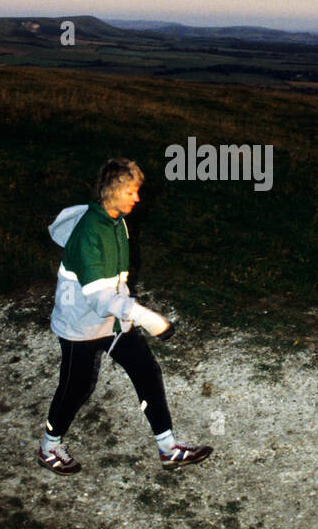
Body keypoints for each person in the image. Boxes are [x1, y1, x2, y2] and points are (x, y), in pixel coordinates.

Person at [39, 158, 211, 474]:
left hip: (112, 321)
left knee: (146, 370)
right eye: (132, 192)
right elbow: (99, 297)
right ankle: (49, 447)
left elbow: (113, 285)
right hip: (81, 325)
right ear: (114, 191)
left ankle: (168, 448)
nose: (137, 198)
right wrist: (147, 317)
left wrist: (128, 311)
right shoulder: (91, 233)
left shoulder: (116, 221)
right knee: (75, 387)